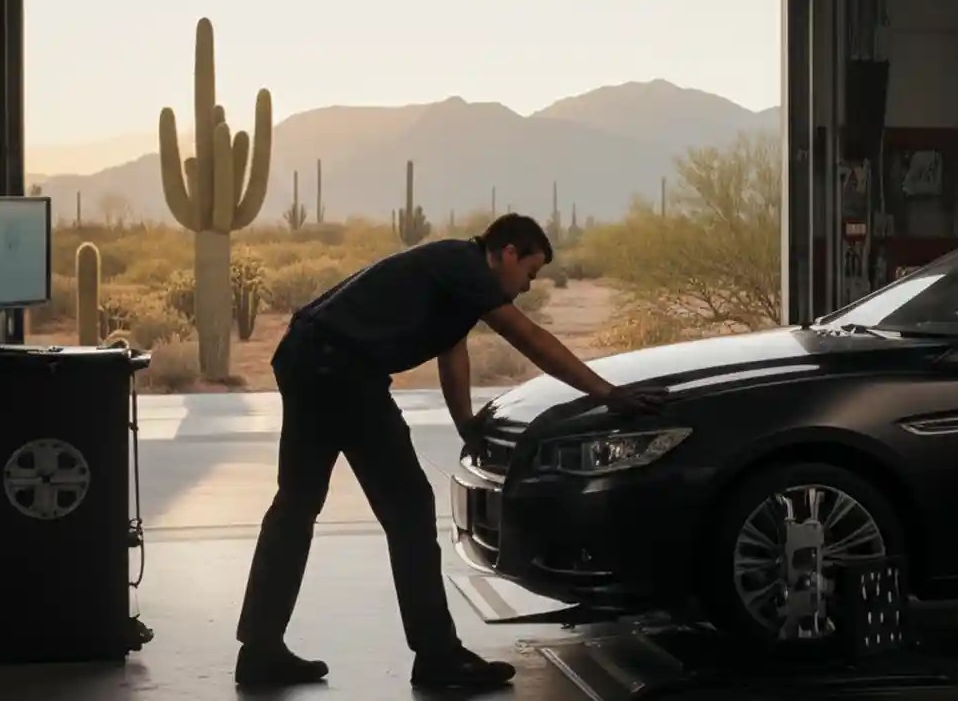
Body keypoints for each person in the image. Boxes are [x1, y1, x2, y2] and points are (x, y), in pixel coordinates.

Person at [233, 213, 668, 689]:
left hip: (306, 355)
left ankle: (260, 651)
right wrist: (607, 394)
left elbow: (451, 350)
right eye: (530, 272)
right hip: (340, 371)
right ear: (507, 253)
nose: (527, 286)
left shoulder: (454, 270)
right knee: (410, 509)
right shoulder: (465, 268)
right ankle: (438, 657)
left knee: (295, 507)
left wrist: (466, 423)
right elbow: (530, 339)